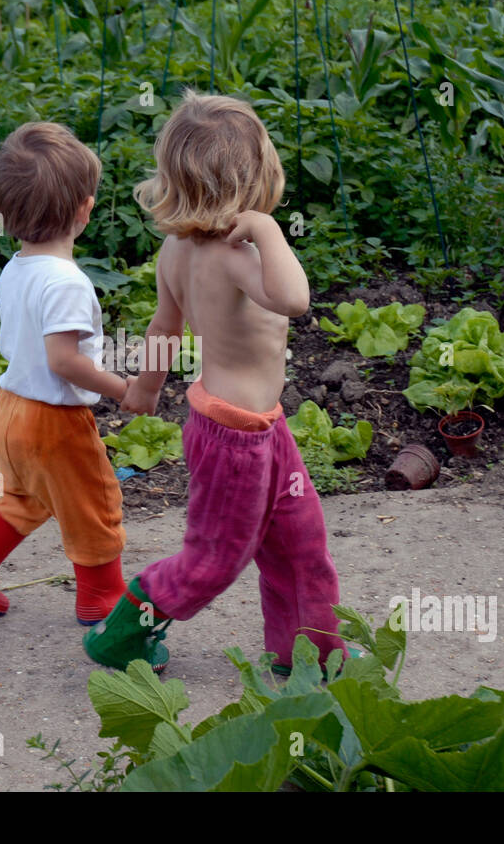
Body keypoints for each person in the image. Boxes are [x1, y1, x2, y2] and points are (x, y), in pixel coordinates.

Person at [83, 92, 347, 675]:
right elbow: (296, 299)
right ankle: (123, 633)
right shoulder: (237, 255)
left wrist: (146, 389)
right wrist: (269, 231)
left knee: (299, 543)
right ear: (256, 179)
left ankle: (308, 652)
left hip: (259, 429)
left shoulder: (176, 249)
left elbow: (162, 327)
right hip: (235, 439)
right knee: (212, 561)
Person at [0, 122, 153, 638]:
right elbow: (64, 361)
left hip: (11, 408)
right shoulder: (68, 283)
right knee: (95, 505)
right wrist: (122, 387)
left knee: (20, 495)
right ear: (85, 208)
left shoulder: (16, 268)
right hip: (55, 420)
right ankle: (102, 599)